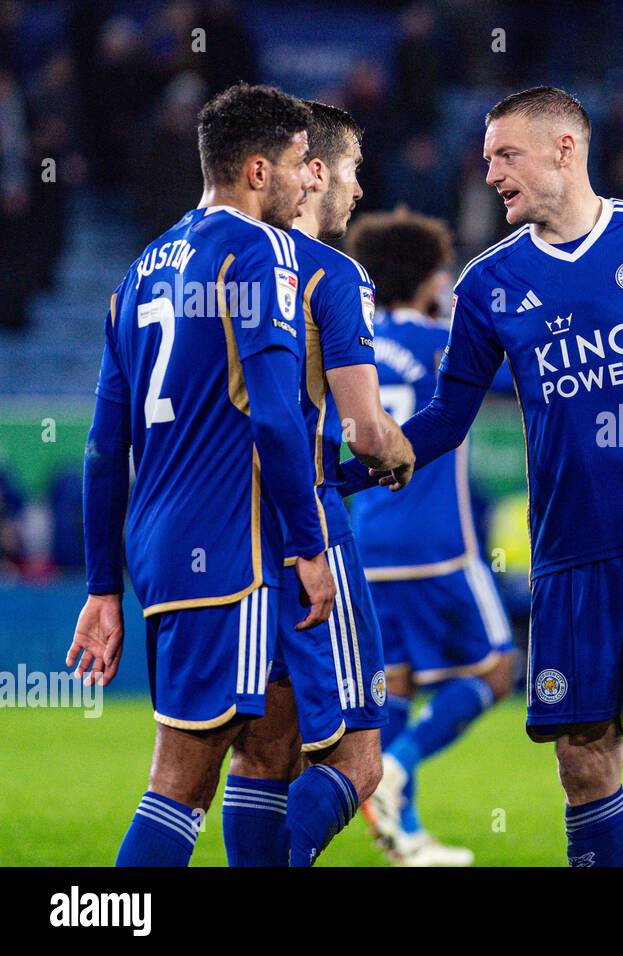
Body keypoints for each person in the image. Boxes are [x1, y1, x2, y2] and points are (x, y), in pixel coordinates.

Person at [339, 86, 623, 866]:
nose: (490, 172)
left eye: (507, 155)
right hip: (573, 552)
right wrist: (346, 471)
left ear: (565, 150)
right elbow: (444, 420)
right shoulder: (485, 284)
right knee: (582, 759)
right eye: (485, 159)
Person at [67, 84, 334, 866]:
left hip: (164, 552)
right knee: (182, 782)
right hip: (233, 552)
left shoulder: (140, 271)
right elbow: (278, 417)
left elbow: (99, 446)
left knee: (270, 745)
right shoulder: (259, 251)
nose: (306, 181)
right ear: (256, 170)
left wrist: (102, 587)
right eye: (295, 164)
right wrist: (311, 545)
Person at [220, 100, 415, 868]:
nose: (360, 191)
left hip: (225, 535)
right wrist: (399, 454)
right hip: (308, 534)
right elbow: (368, 429)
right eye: (356, 172)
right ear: (317, 170)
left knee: (262, 753)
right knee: (358, 761)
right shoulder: (332, 274)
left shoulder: (212, 262)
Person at [346, 208, 513, 867]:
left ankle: (405, 836)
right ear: (427, 279)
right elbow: (520, 377)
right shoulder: (441, 344)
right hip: (437, 543)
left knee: (398, 685)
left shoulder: (349, 344)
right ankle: (399, 766)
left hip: (366, 543)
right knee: (497, 670)